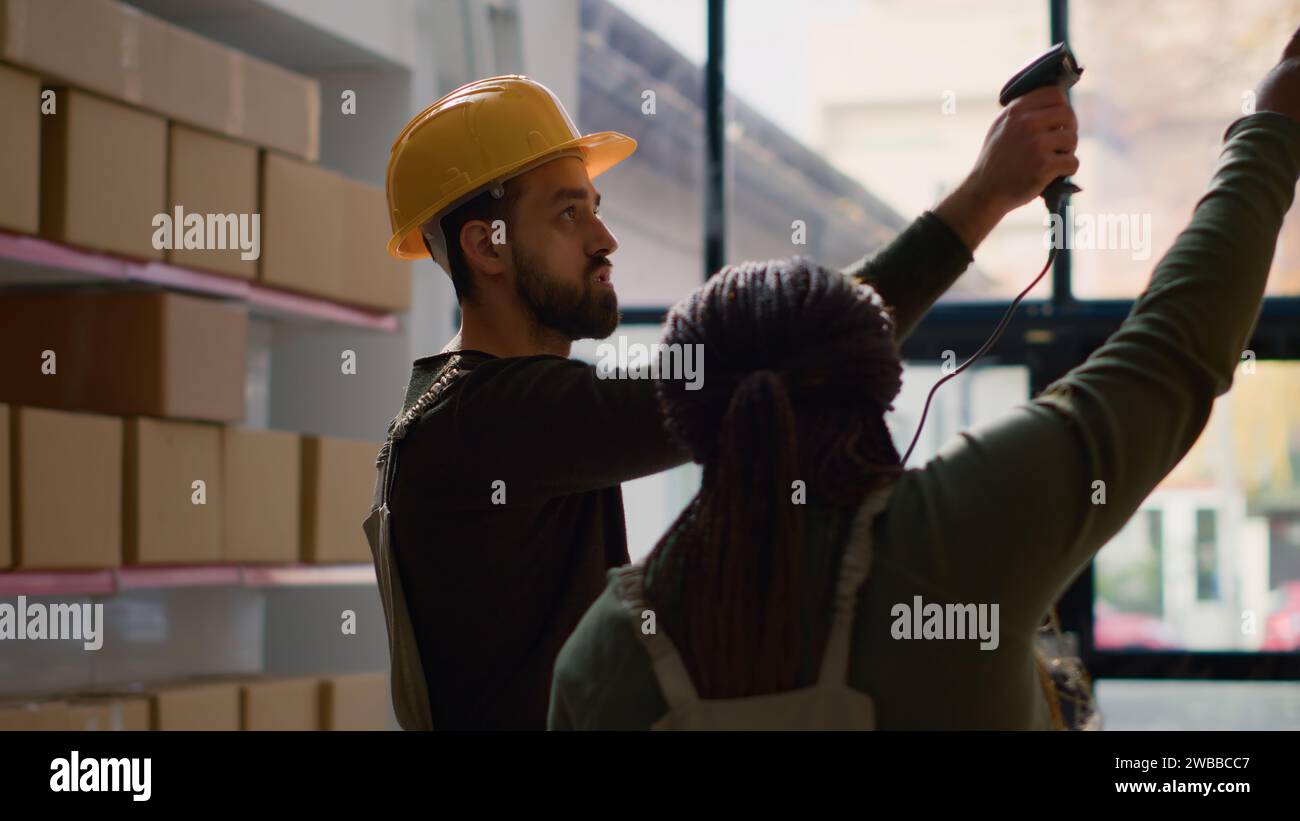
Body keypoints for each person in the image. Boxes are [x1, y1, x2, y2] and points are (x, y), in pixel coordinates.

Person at [547, 34, 1300, 730]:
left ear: (682, 415)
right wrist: (1271, 125)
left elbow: (1175, 349)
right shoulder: (960, 531)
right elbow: (1173, 348)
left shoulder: (605, 653)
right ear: (877, 375)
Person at [367, 72, 1079, 729]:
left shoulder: (471, 413)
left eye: (596, 208)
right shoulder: (485, 422)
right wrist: (985, 194)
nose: (604, 238)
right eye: (567, 213)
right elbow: (787, 343)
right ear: (486, 248)